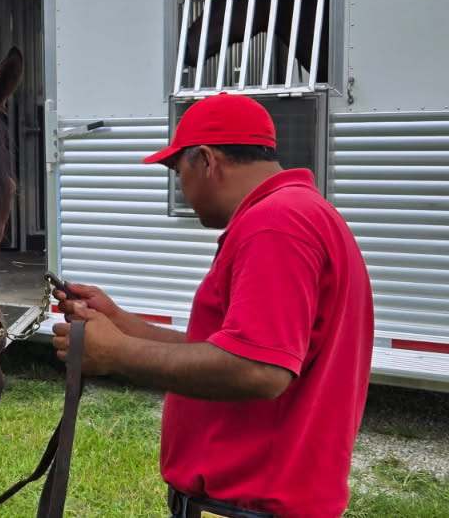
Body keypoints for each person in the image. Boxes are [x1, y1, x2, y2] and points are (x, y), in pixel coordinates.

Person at [50, 93, 373, 518]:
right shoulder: (298, 213)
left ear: (206, 160)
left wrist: (116, 353)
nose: (180, 188)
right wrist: (118, 321)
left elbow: (258, 371)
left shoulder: (275, 224)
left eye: (177, 170)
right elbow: (230, 349)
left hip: (249, 507)